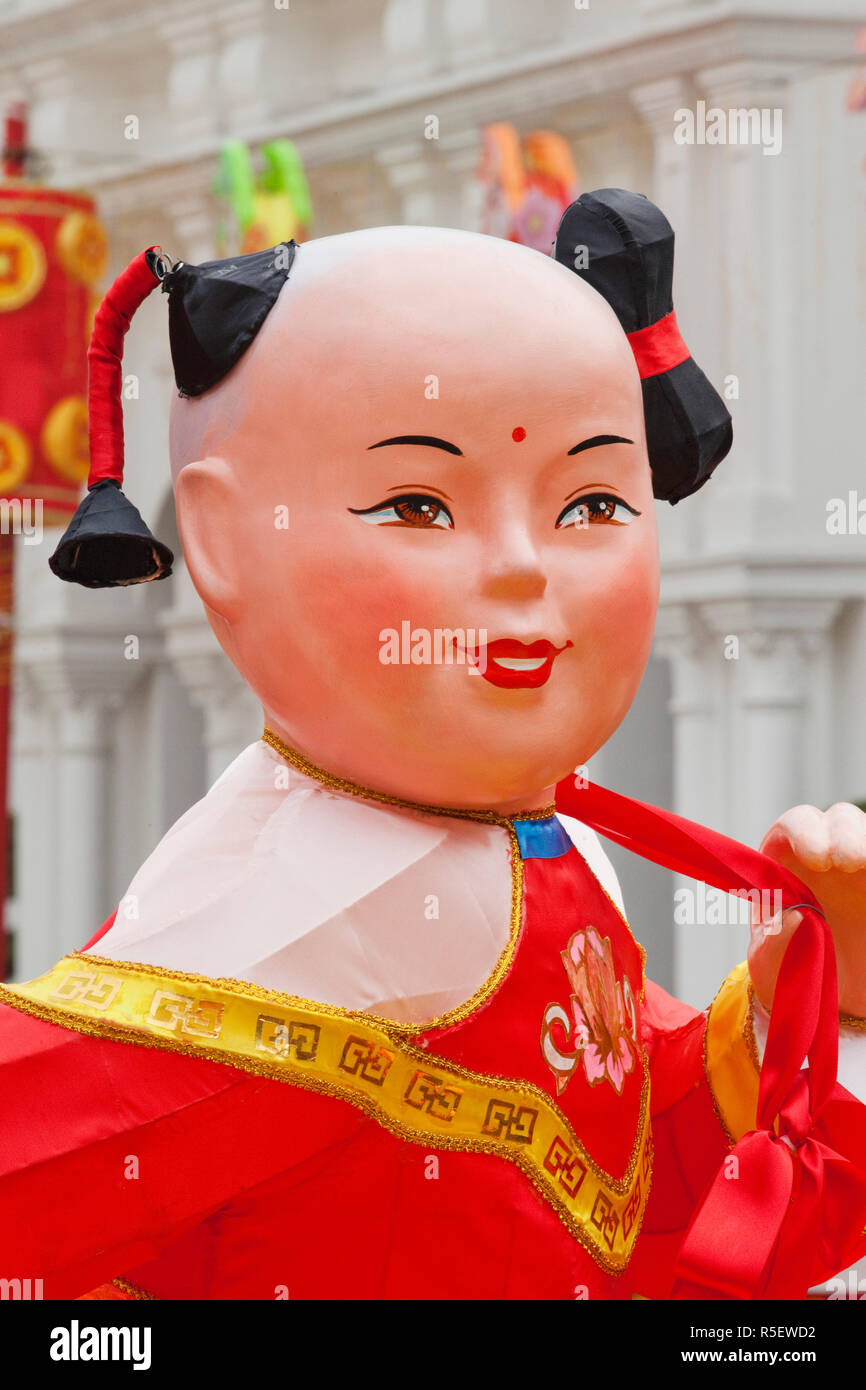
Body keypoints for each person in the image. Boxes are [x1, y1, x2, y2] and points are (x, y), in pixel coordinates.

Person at [1, 191, 864, 1300]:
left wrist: (826, 990)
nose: (521, 566)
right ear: (219, 538)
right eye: (417, 504)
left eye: (592, 503)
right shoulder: (288, 913)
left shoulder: (532, 844)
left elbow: (637, 1183)